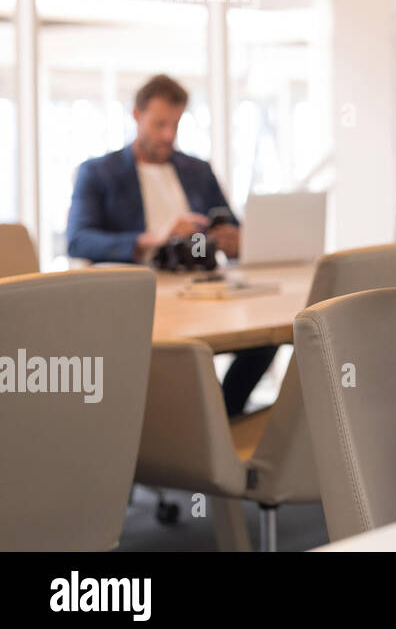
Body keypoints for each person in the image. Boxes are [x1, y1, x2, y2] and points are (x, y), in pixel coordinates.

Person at [66, 73, 274, 416]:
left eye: (175, 124)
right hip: (141, 298)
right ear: (136, 115)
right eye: (160, 124)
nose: (168, 135)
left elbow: (231, 226)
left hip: (204, 290)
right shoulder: (98, 173)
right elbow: (78, 239)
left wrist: (233, 241)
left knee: (266, 337)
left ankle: (224, 416)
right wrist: (153, 238)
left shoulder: (197, 170)